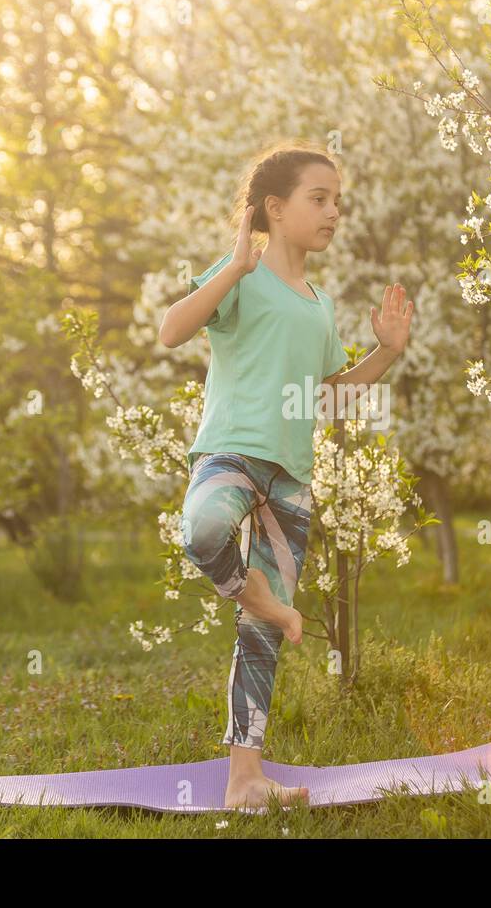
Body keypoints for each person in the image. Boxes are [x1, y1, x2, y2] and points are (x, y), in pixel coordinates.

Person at [158, 141, 413, 811]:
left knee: (261, 640)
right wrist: (233, 267)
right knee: (204, 529)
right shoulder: (242, 274)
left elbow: (328, 399)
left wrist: (385, 353)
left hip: (290, 481)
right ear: (275, 207)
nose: (334, 212)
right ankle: (259, 594)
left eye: (338, 201)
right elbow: (170, 331)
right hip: (231, 455)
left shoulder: (319, 304)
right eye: (319, 199)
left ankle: (245, 781)